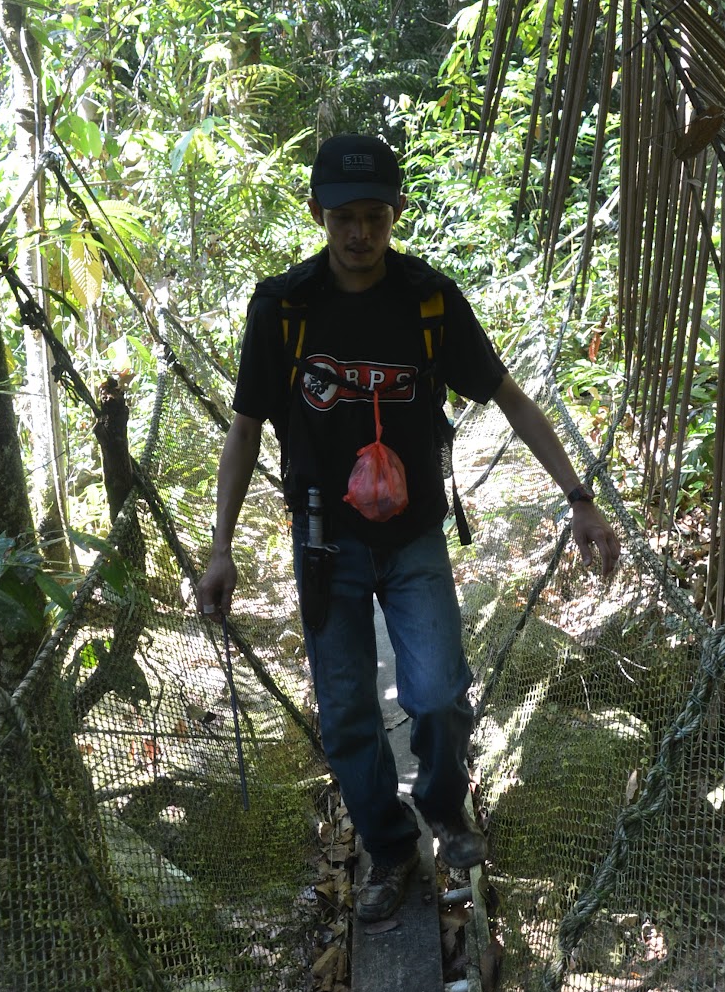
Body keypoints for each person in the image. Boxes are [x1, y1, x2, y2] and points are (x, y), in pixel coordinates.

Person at [197, 134, 620, 920]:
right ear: (318, 214)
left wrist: (578, 495)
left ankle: (442, 803)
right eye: (344, 218)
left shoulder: (429, 302)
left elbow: (511, 398)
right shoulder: (284, 308)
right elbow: (246, 427)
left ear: (395, 214)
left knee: (436, 695)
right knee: (350, 710)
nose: (359, 234)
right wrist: (219, 549)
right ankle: (389, 853)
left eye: (375, 217)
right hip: (325, 543)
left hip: (416, 537)